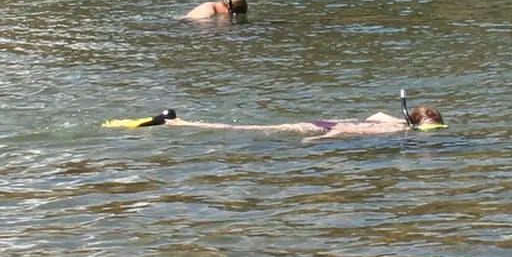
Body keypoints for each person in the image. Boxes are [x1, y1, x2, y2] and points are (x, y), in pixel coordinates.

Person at [109, 105, 443, 138]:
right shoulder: (391, 132)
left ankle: (176, 121)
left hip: (321, 121)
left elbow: (372, 116)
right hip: (320, 128)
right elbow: (349, 129)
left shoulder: (396, 123)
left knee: (249, 129)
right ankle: (174, 122)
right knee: (243, 130)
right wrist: (319, 142)